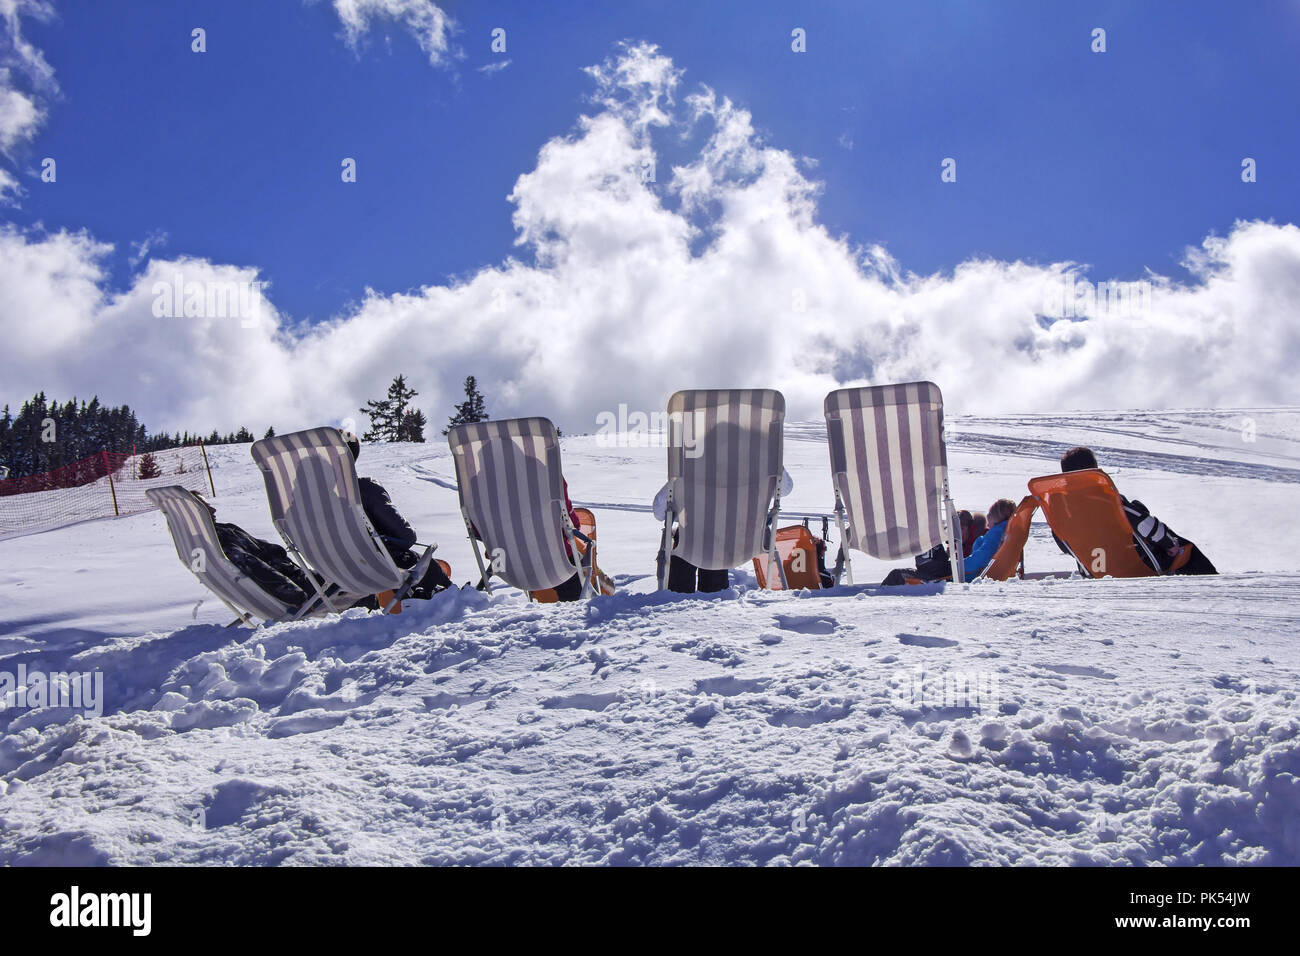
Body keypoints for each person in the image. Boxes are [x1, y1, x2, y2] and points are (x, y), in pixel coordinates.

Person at [1056, 446, 1217, 575]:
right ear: (1093, 470)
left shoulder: (1062, 509)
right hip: (1135, 565)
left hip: (1094, 570)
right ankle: (1212, 587)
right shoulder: (1106, 500)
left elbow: (1064, 545)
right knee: (1185, 548)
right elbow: (1144, 524)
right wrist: (1169, 544)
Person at [342, 431, 454, 600]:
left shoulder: (303, 504)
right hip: (376, 567)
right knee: (419, 564)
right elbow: (406, 537)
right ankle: (452, 600)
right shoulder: (364, 489)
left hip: (334, 572)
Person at [653, 468, 794, 593]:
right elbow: (785, 488)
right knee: (718, 535)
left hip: (693, 539)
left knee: (693, 534)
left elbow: (659, 509)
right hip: (744, 536)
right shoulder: (763, 457)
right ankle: (716, 594)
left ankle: (679, 596)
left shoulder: (694, 462)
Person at [190, 491, 318, 608]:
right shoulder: (219, 540)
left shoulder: (213, 536)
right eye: (206, 508)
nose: (213, 510)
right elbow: (254, 567)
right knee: (336, 578)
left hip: (298, 579)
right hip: (300, 587)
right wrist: (296, 596)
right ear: (196, 515)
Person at [881, 498, 1016, 585]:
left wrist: (955, 566)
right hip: (954, 573)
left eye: (961, 528)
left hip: (957, 575)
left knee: (897, 575)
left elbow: (980, 559)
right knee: (903, 572)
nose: (957, 534)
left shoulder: (993, 534)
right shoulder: (998, 534)